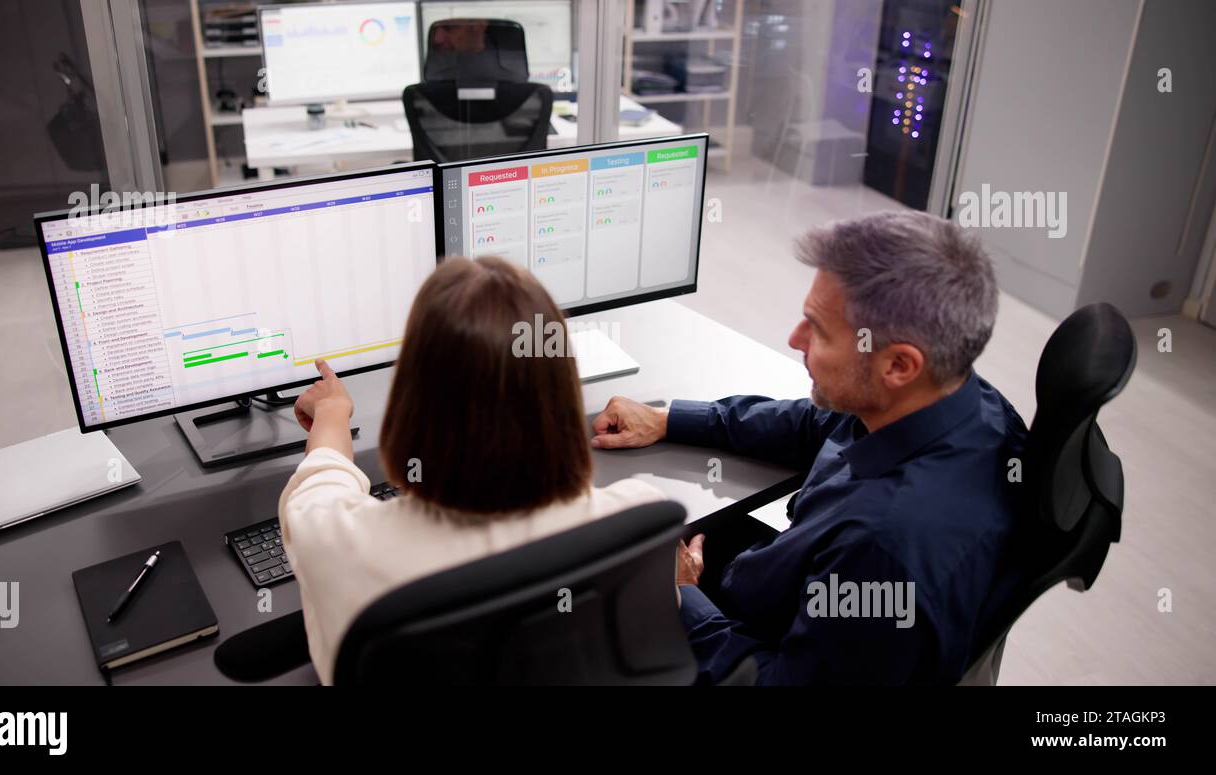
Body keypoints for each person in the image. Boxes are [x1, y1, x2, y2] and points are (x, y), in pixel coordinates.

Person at [591, 211, 1028, 685]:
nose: (794, 339)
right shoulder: (962, 399)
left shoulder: (885, 549)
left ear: (899, 364)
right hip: (791, 595)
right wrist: (668, 419)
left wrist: (682, 595)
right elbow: (817, 422)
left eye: (818, 330)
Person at [278, 256, 664, 684]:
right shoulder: (637, 523)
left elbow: (322, 479)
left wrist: (332, 410)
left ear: (413, 399)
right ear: (560, 392)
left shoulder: (338, 542)